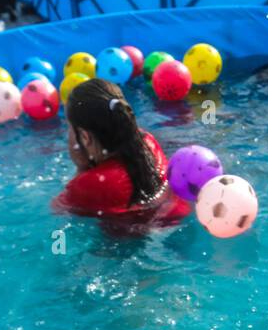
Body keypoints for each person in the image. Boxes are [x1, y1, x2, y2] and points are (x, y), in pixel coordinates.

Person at [54, 78, 190, 225]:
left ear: (85, 137)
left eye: (70, 128)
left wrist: (80, 167)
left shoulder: (92, 184)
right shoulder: (147, 143)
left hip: (132, 242)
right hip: (178, 218)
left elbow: (57, 210)